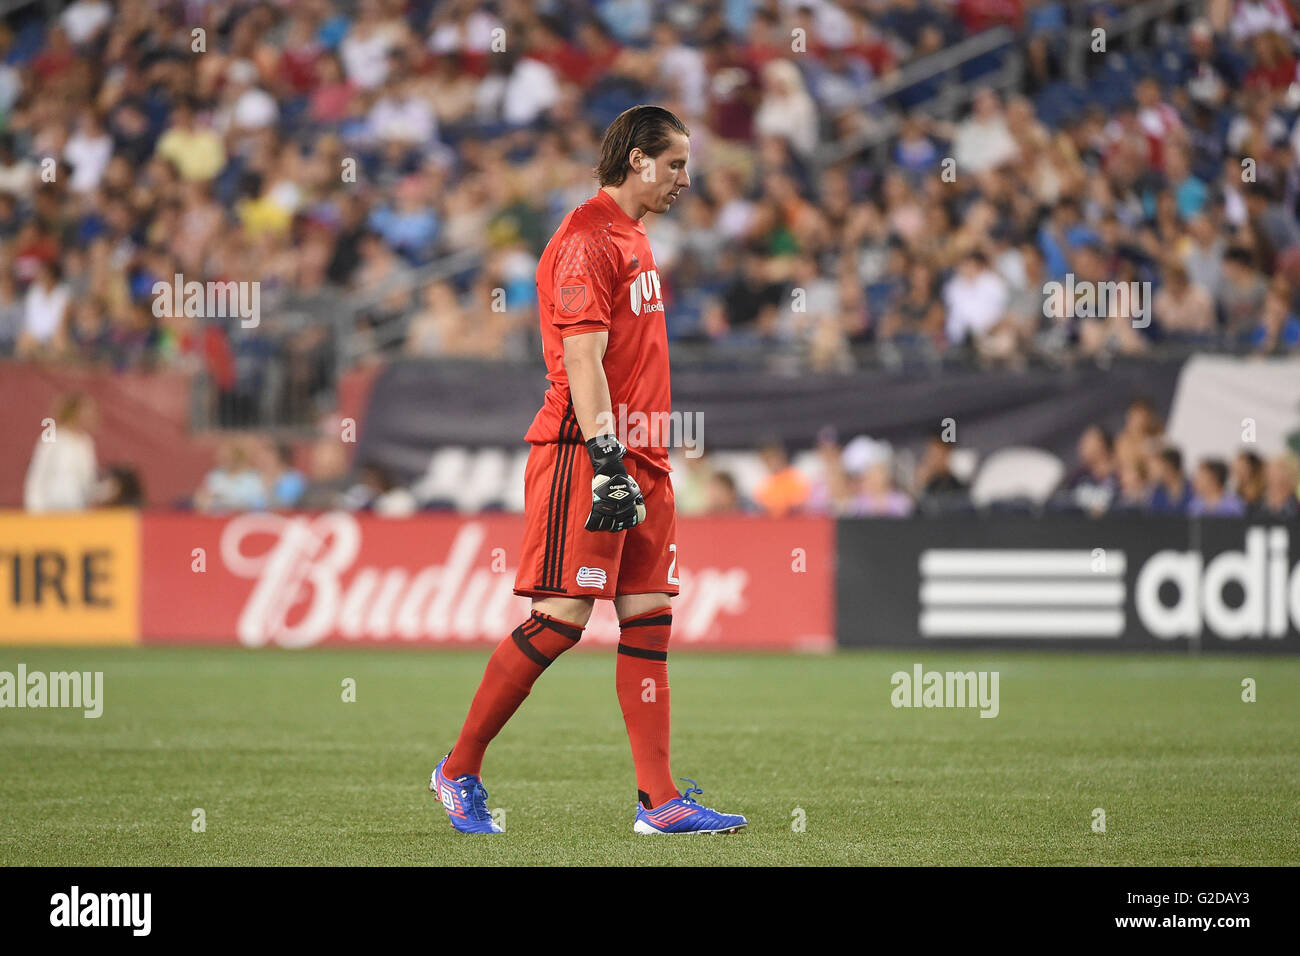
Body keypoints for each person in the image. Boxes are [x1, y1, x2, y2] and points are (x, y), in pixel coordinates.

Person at [431, 106, 746, 836]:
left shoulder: (635, 239)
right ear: (637, 159)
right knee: (561, 620)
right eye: (674, 164)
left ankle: (659, 802)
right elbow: (581, 360)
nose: (685, 179)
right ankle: (459, 768)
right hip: (586, 455)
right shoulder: (585, 239)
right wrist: (607, 460)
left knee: (649, 619)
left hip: (643, 459)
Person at [23, 393, 98, 512]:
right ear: (73, 412)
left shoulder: (86, 443)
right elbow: (37, 475)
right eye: (85, 412)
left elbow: (88, 479)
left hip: (77, 511)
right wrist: (35, 509)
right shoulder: (52, 439)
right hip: (49, 510)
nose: (89, 416)